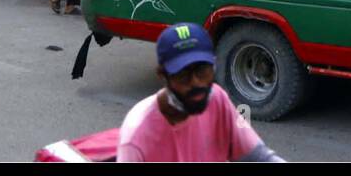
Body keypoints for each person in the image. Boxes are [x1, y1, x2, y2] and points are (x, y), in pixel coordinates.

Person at [117, 23, 282, 162]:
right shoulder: (137, 138)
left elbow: (258, 157)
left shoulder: (216, 99)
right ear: (163, 76)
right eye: (183, 75)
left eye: (203, 71)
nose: (196, 83)